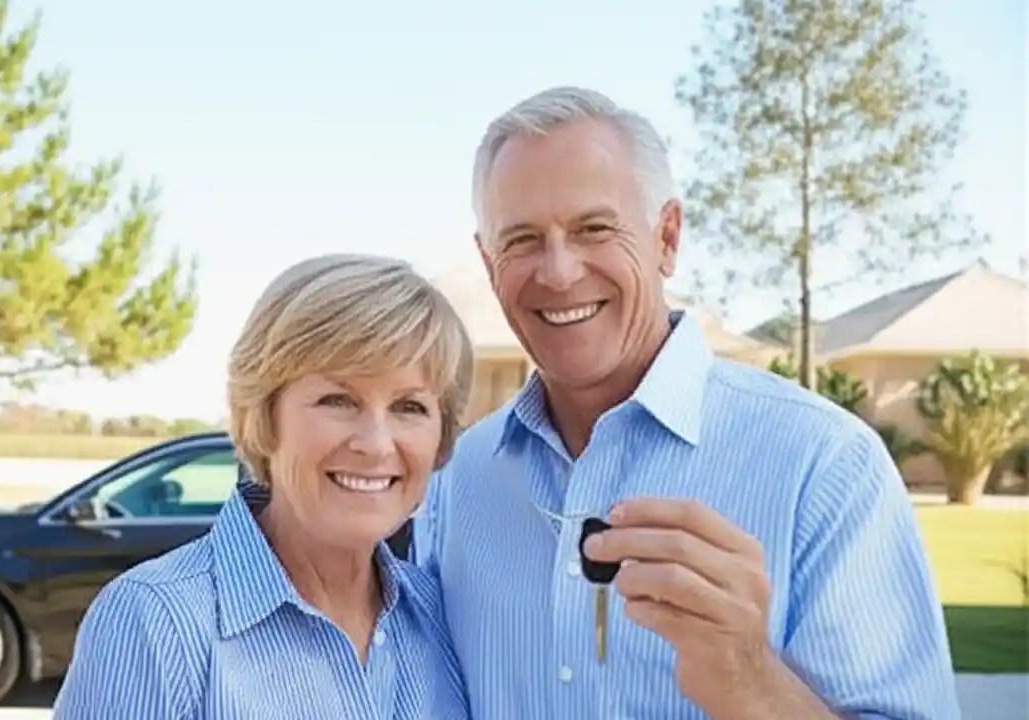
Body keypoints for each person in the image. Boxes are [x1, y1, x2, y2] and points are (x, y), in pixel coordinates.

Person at [412, 86, 961, 719]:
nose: (558, 272)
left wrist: (752, 682)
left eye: (594, 228)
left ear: (667, 237)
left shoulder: (826, 466)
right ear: (488, 261)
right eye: (522, 240)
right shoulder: (458, 476)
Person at [53, 253, 474, 719]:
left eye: (409, 407)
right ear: (264, 417)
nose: (376, 445)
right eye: (338, 400)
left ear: (442, 437)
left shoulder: (443, 618)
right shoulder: (155, 622)